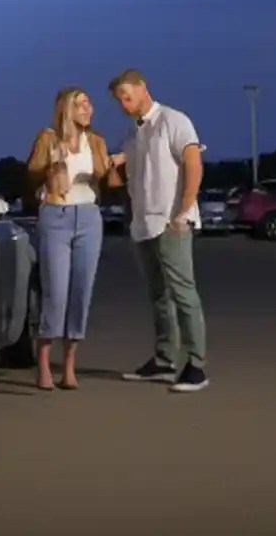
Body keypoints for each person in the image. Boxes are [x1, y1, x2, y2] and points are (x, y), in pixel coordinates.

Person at [107, 68, 210, 393]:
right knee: (158, 295)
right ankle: (165, 360)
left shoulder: (173, 120)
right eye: (119, 99)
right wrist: (114, 171)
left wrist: (184, 210)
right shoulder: (132, 134)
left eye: (127, 95)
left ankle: (196, 365)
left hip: (171, 221)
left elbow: (193, 162)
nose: (124, 103)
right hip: (143, 224)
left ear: (143, 88)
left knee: (183, 293)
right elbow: (126, 181)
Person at [24, 87, 114, 390]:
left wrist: (116, 164)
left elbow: (107, 178)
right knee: (56, 293)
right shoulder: (48, 137)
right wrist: (51, 162)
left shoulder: (96, 142)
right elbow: (32, 173)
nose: (88, 109)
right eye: (81, 104)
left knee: (81, 292)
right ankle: (44, 364)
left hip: (89, 217)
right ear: (67, 109)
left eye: (89, 104)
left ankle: (70, 366)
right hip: (56, 217)